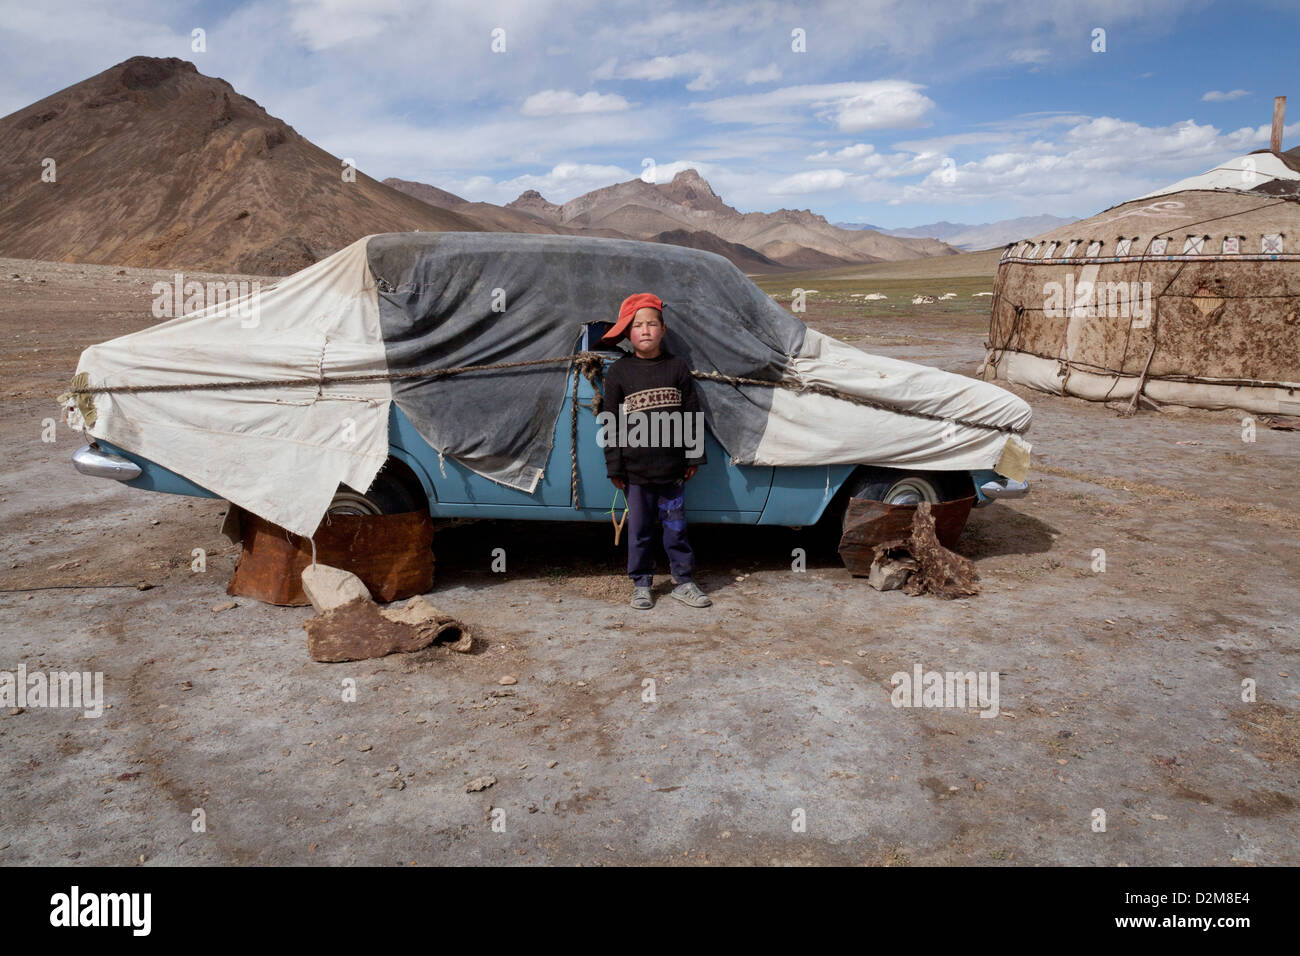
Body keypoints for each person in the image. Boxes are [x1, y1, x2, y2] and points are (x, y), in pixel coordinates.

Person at [599, 293, 712, 610]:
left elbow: (692, 415)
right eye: (637, 325)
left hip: (673, 471)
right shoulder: (620, 372)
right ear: (627, 333)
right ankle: (642, 583)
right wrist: (615, 467)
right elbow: (610, 424)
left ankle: (684, 582)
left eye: (652, 324)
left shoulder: (677, 368)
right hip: (636, 473)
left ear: (663, 329)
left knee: (676, 528)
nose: (645, 330)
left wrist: (693, 457)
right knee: (640, 530)